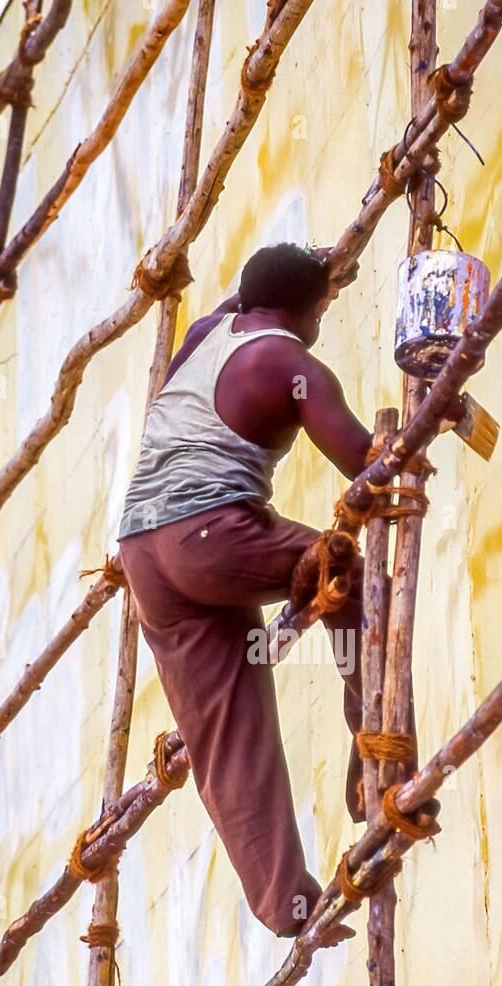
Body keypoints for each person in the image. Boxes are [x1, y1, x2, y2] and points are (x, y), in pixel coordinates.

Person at [119, 242, 376, 938]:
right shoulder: (292, 364)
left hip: (144, 554)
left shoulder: (210, 330)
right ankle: (370, 734)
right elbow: (364, 464)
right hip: (210, 538)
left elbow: (255, 295)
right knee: (340, 567)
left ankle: (286, 901)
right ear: (312, 311)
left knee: (226, 727)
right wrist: (429, 421)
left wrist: (322, 267)